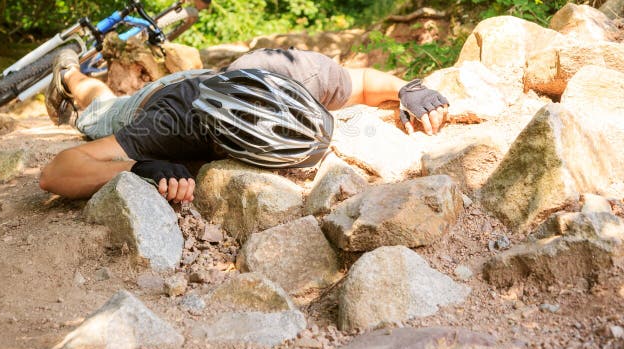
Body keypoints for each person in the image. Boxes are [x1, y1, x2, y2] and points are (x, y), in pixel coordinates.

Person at [39, 46, 449, 204]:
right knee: (100, 108)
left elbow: (360, 82)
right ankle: (69, 73)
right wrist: (135, 168)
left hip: (223, 79)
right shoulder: (170, 127)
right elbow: (56, 171)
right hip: (151, 102)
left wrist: (408, 89)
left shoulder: (291, 71)